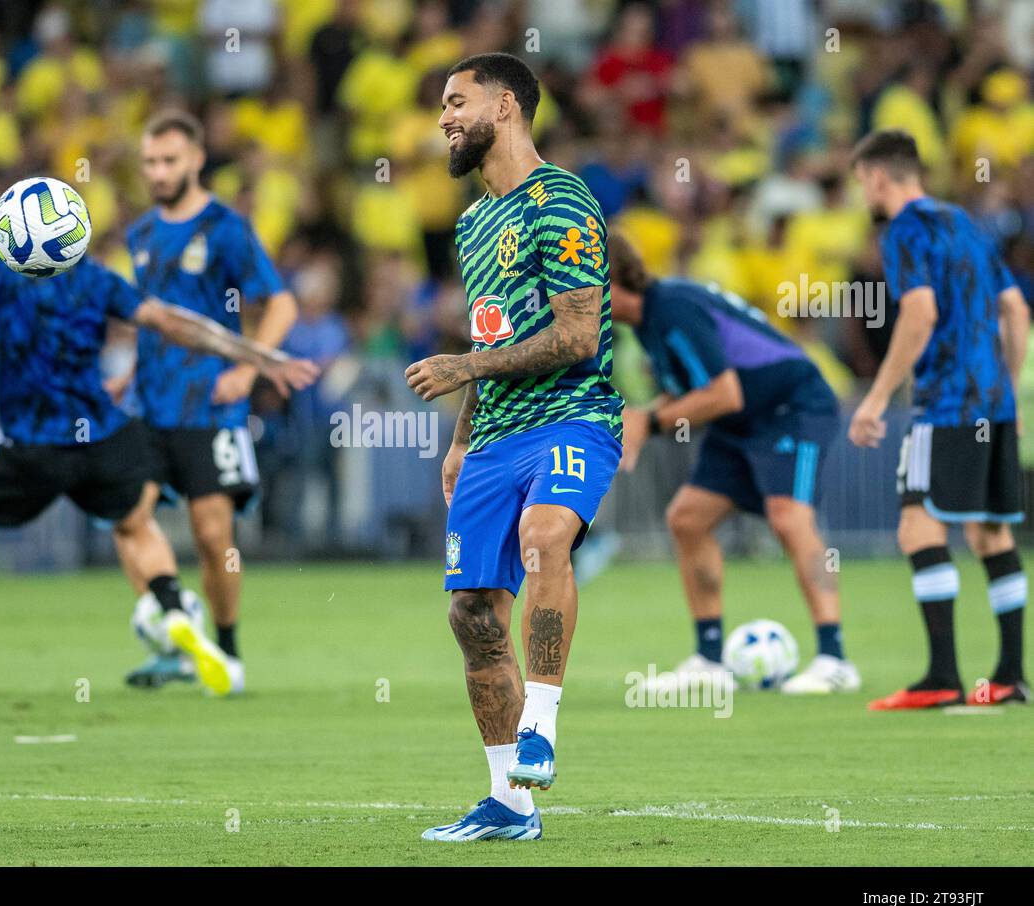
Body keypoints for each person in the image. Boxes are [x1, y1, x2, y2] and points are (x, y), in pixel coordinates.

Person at [405, 53, 623, 841]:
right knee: (470, 614)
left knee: (543, 539)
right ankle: (510, 803)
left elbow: (575, 335)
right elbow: (487, 333)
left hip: (572, 414)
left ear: (505, 107)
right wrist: (461, 437)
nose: (443, 119)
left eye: (456, 101)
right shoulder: (471, 223)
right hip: (494, 436)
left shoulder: (560, 198)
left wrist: (466, 366)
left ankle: (543, 719)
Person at [0, 248, 318, 697]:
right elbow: (173, 322)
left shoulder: (0, 270)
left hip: (31, 442)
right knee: (136, 525)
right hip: (103, 436)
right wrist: (253, 354)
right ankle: (173, 606)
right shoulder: (99, 280)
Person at [608, 231, 859, 694]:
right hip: (741, 421)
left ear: (613, 280)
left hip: (792, 408)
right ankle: (709, 661)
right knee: (687, 519)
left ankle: (835, 658)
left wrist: (650, 421)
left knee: (789, 518)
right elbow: (698, 391)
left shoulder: (671, 307)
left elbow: (723, 392)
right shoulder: (650, 320)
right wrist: (648, 419)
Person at [117, 109, 299, 692]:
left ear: (196, 160)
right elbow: (151, 317)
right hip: (149, 401)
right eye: (150, 161)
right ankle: (172, 631)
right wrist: (126, 375)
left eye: (169, 160)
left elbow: (281, 304)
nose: (159, 171)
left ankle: (225, 647)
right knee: (129, 517)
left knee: (212, 534)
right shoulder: (140, 233)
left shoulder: (225, 227)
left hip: (210, 403)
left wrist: (249, 370)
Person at [848, 129, 1031, 709]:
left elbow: (920, 312)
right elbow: (1015, 307)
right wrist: (1009, 391)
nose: (864, 195)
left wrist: (877, 398)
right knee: (990, 532)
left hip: (947, 403)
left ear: (878, 177)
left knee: (918, 526)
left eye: (861, 183)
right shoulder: (965, 222)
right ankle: (1008, 676)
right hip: (994, 403)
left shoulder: (904, 228)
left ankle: (943, 677)